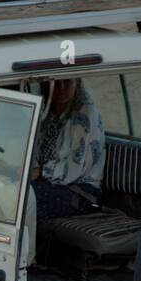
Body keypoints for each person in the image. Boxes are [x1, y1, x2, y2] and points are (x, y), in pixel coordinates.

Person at [30, 79, 104, 220]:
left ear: (77, 83)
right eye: (56, 82)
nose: (61, 87)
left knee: (26, 197)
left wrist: (41, 172)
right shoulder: (48, 115)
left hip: (82, 194)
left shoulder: (86, 114)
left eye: (67, 81)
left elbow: (75, 168)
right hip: (52, 185)